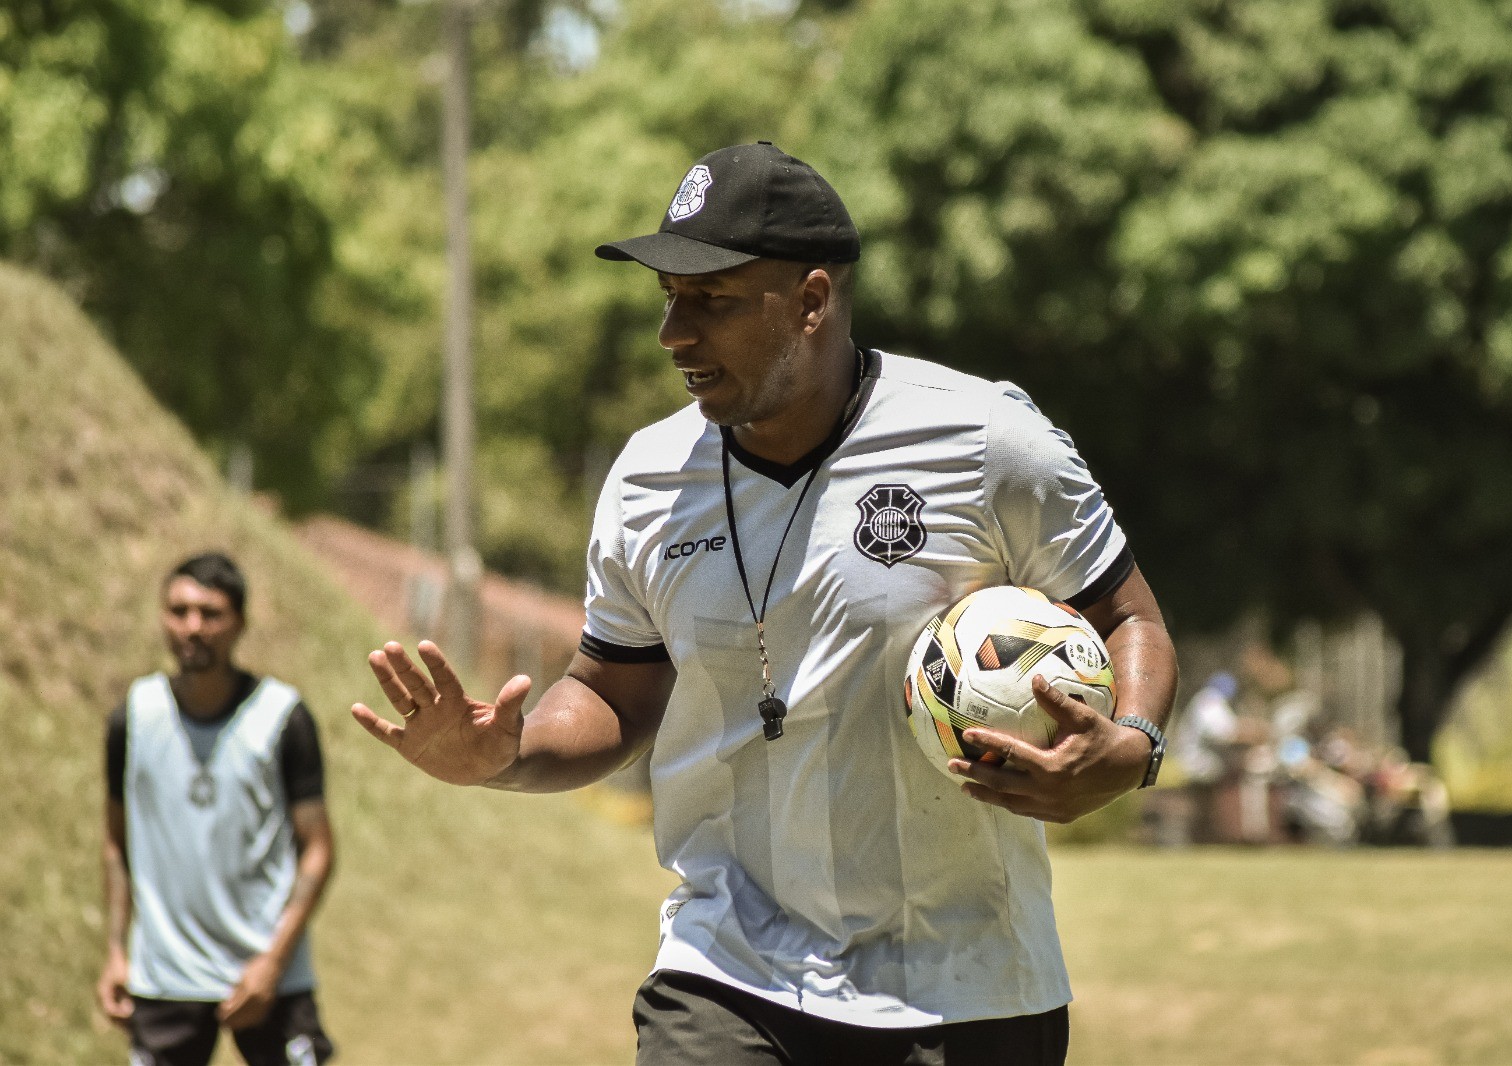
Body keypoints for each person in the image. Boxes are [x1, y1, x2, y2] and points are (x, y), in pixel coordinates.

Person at [353, 143, 1177, 1065]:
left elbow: (1129, 619)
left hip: (965, 985)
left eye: (710, 300)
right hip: (728, 972)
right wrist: (505, 755)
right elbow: (615, 694)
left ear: (812, 301)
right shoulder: (646, 483)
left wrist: (1132, 745)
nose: (673, 334)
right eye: (667, 297)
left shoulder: (987, 442)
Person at [99, 552, 337, 1066]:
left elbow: (318, 848)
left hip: (270, 974)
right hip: (166, 974)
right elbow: (116, 842)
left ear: (240, 623)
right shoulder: (134, 717)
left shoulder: (282, 717)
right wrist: (117, 951)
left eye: (210, 613)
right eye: (178, 610)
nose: (193, 627)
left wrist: (273, 962)